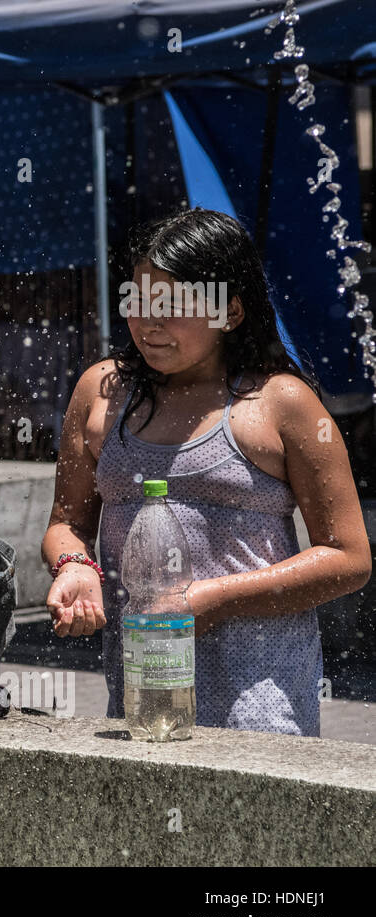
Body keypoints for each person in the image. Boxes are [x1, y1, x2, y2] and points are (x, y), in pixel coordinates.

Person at [42, 208, 371, 736]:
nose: (150, 323)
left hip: (262, 702)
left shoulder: (279, 403)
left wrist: (211, 600)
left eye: (173, 305)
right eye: (139, 301)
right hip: (144, 693)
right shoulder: (102, 393)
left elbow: (349, 557)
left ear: (232, 312)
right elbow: (67, 522)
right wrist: (74, 564)